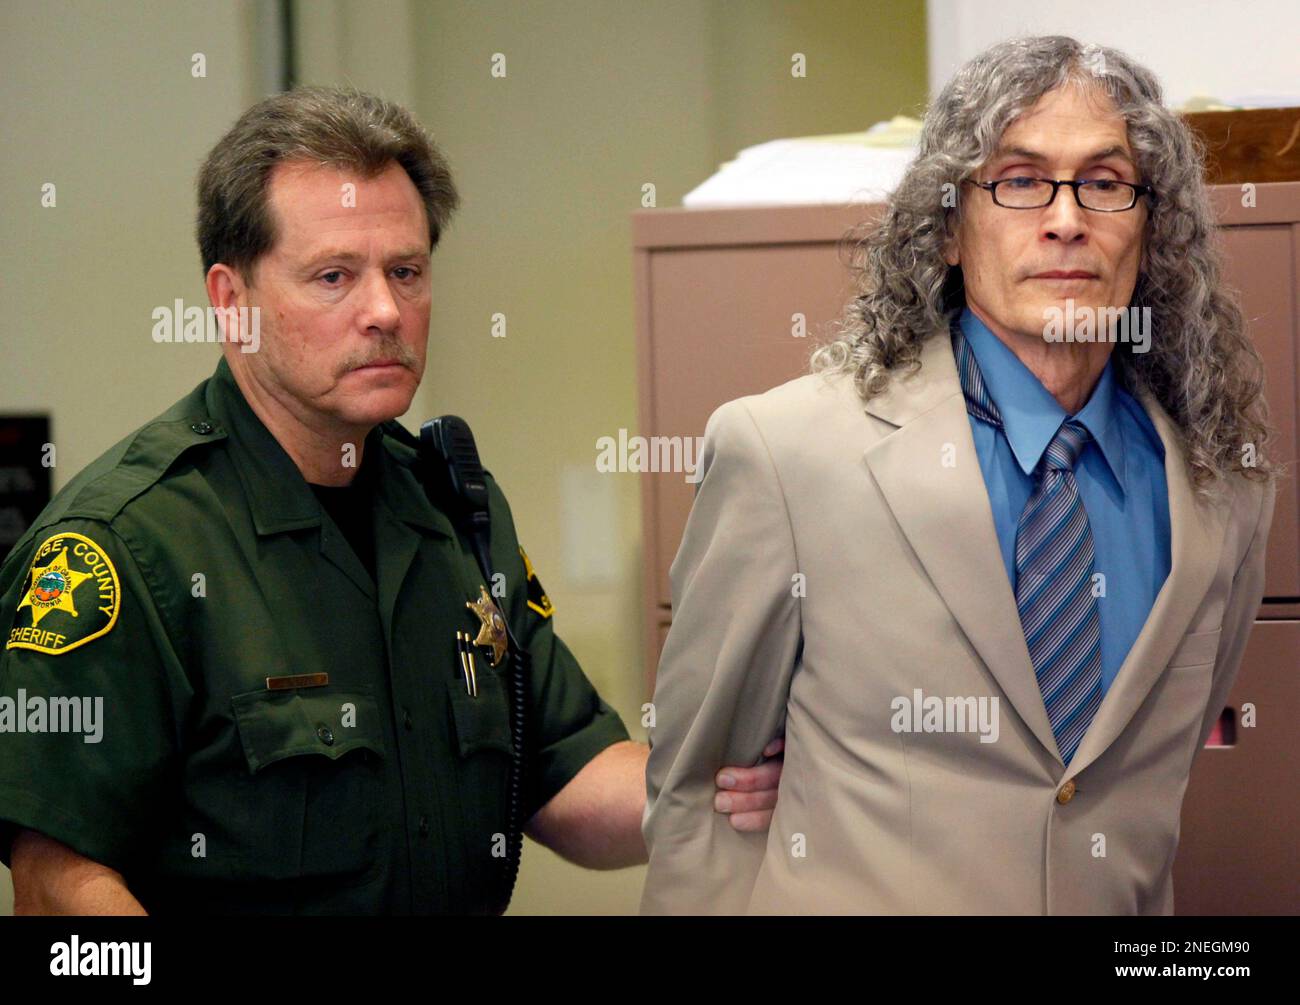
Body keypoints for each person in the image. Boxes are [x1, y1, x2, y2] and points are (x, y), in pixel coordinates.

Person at [0, 85, 781, 915]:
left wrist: (719, 785)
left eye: (405, 271)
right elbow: (57, 884)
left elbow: (564, 766)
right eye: (334, 276)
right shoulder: (125, 546)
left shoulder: (451, 509)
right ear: (233, 305)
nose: (384, 311)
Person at [640, 36, 1278, 915]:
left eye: (1104, 182)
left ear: (1151, 227)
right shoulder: (787, 452)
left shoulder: (1224, 491)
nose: (1065, 219)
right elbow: (701, 804)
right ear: (947, 226)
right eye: (1018, 181)